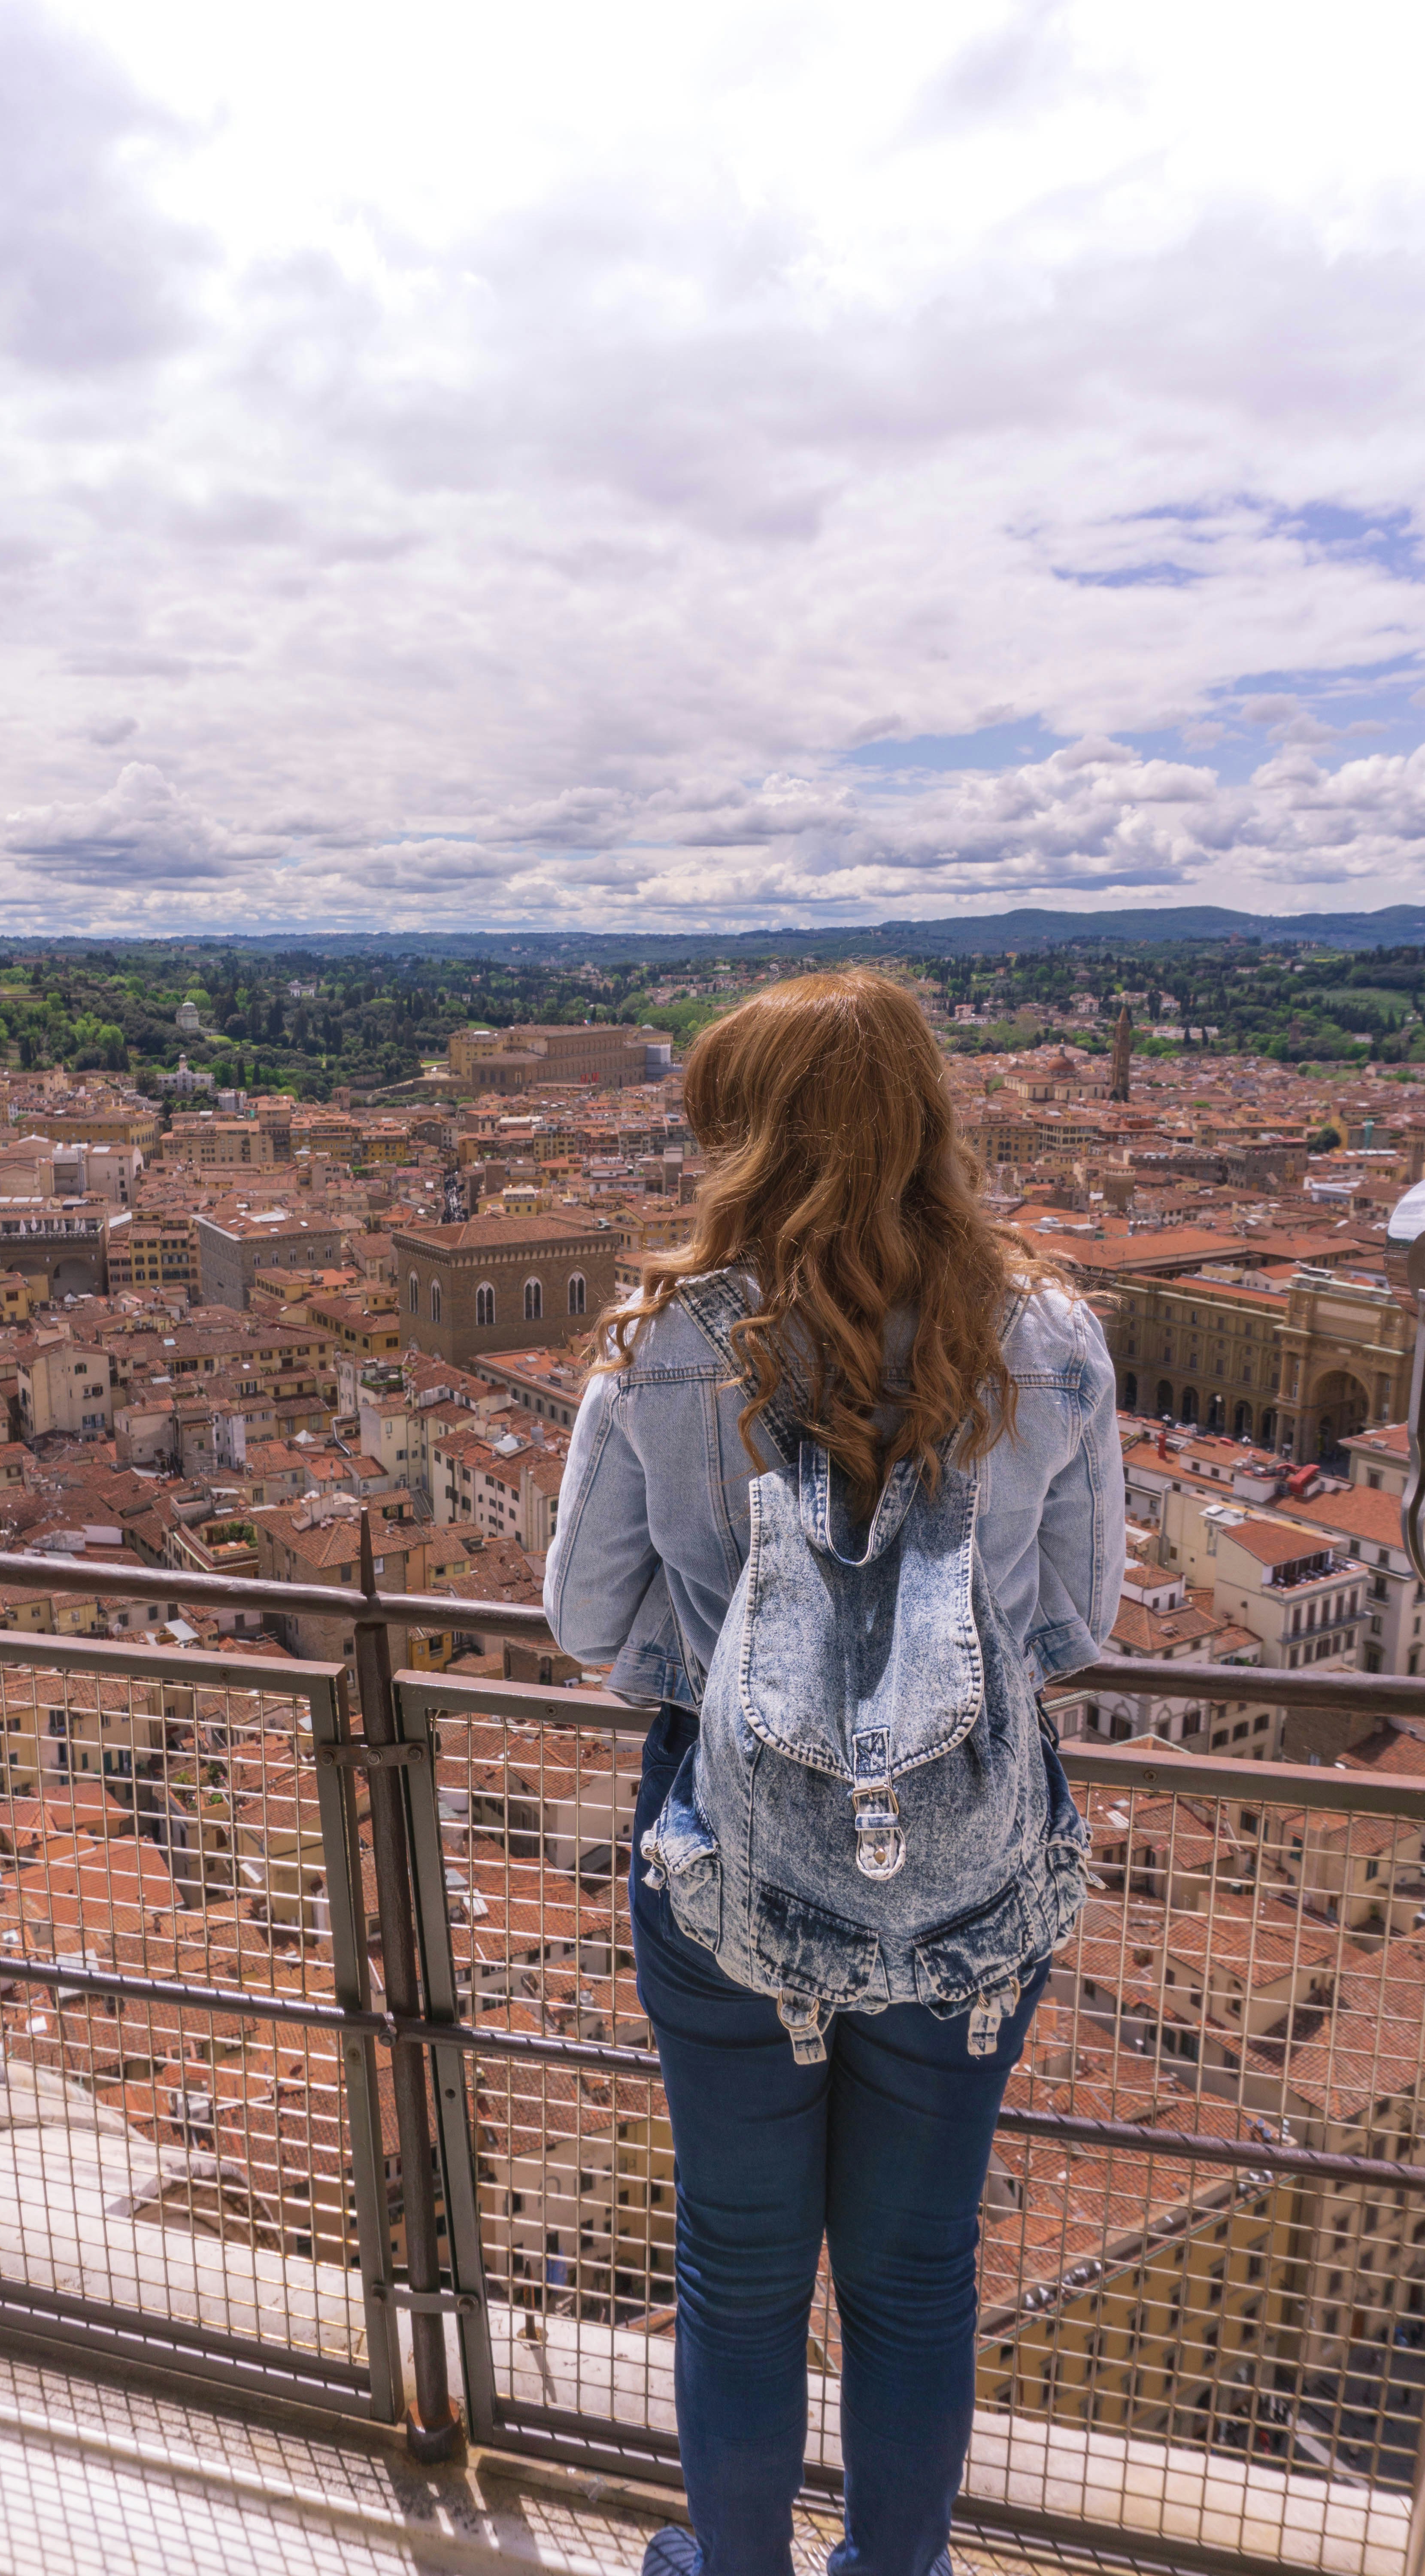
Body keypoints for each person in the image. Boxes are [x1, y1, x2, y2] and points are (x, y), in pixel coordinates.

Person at [544, 971, 1124, 2576]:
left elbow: (588, 1615)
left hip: (728, 1869)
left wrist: (734, 1670)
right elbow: (1074, 1626)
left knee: (740, 2274)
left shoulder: (666, 1340)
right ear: (931, 1122)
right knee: (918, 2279)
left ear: (743, 1139)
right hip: (974, 1884)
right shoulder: (1051, 1333)